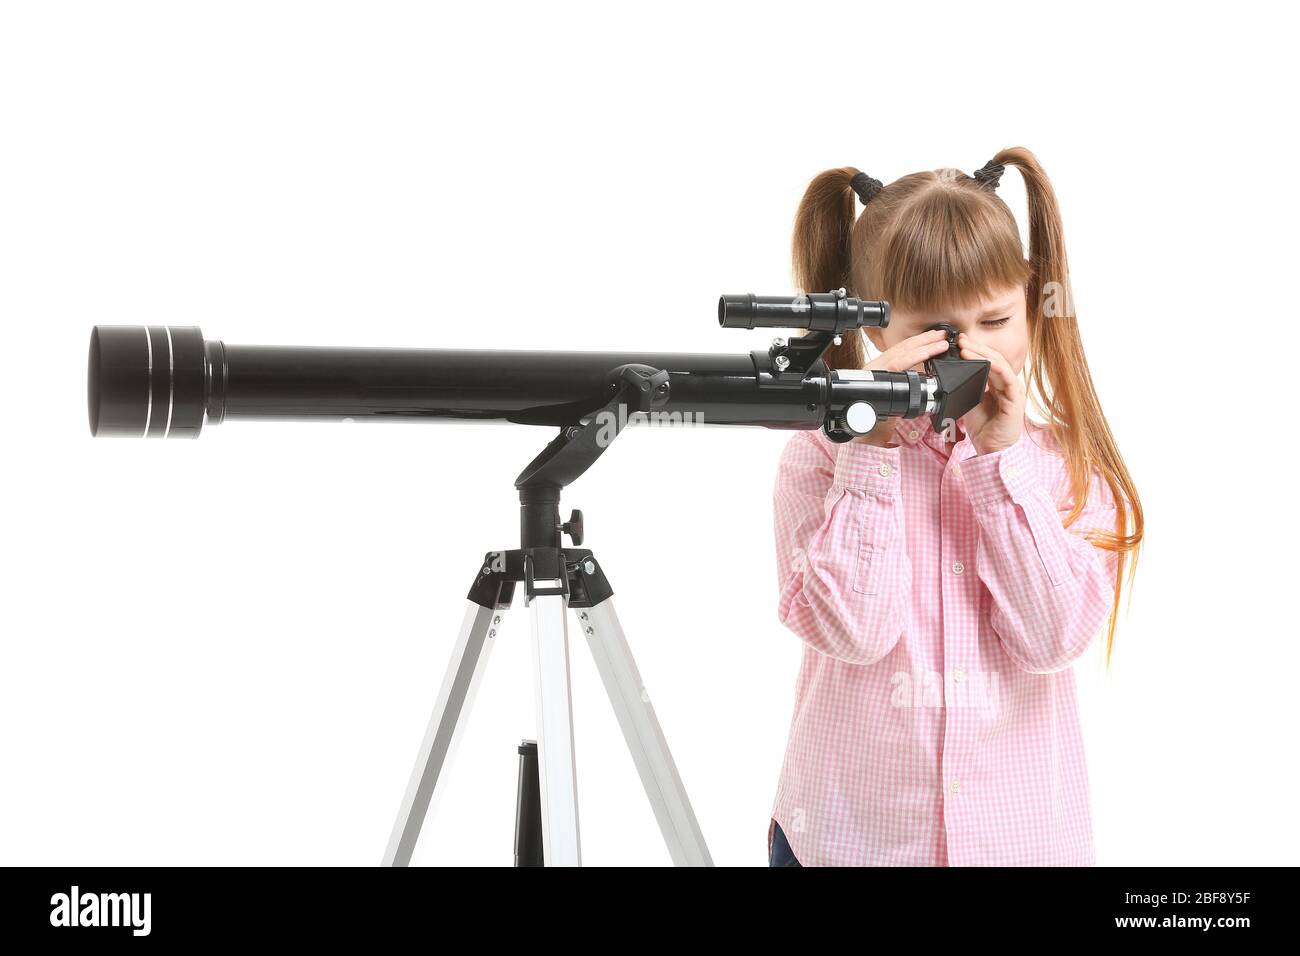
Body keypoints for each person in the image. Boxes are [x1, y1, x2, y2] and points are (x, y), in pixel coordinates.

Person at [768, 147, 1143, 867]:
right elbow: (851, 632)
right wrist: (870, 446)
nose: (972, 351)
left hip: (1020, 845)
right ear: (877, 331)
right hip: (850, 842)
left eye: (997, 319)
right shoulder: (820, 457)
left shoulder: (1066, 468)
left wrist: (1003, 467)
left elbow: (1055, 639)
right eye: (935, 332)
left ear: (1033, 307)